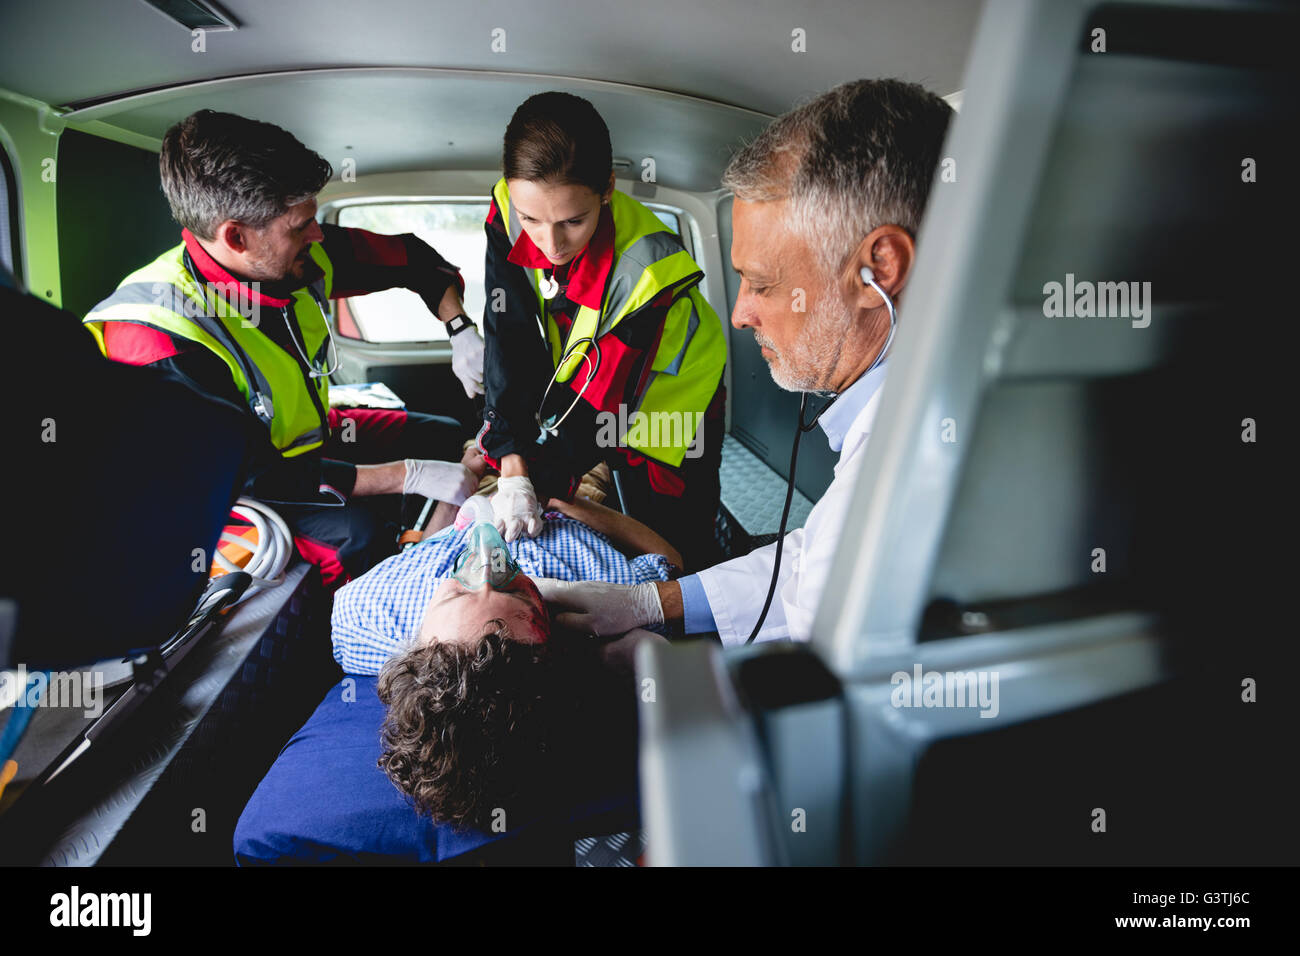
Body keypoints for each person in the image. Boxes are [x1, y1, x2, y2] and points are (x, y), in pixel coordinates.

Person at [537, 79, 955, 645]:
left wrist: (667, 682)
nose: (738, 314)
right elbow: (811, 562)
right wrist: (650, 603)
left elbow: (815, 672)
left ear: (878, 269)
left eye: (762, 284)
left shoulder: (918, 460)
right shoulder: (907, 405)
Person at [83, 110, 488, 588]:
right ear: (235, 236)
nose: (317, 236)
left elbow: (417, 262)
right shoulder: (159, 339)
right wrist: (409, 475)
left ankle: (424, 536)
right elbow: (247, 479)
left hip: (307, 438)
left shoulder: (298, 254)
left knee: (442, 433)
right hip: (227, 491)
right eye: (300, 226)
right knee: (358, 536)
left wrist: (461, 329)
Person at [330, 481, 678, 831]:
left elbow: (417, 554)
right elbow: (672, 563)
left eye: (457, 594)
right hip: (572, 486)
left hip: (471, 493)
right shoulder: (610, 592)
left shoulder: (366, 616)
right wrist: (559, 496)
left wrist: (462, 495)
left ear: (413, 647)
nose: (486, 559)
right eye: (517, 590)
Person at [477, 92, 727, 572]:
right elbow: (507, 328)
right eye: (532, 220)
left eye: (573, 221)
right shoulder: (508, 209)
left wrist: (538, 483)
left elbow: (602, 410)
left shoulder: (647, 273)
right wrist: (508, 454)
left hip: (672, 402)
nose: (550, 245)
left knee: (674, 537)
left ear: (608, 189)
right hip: (601, 389)